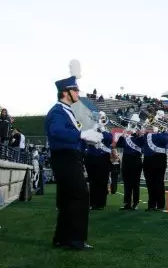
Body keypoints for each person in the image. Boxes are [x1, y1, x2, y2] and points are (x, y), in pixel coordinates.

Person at [45, 75, 103, 250]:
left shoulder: (67, 111)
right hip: (66, 157)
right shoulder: (58, 111)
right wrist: (81, 135)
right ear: (65, 93)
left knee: (67, 199)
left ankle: (62, 238)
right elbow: (56, 132)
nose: (78, 93)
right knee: (79, 196)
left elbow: (72, 133)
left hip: (69, 156)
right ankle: (75, 240)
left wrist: (89, 136)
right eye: (75, 90)